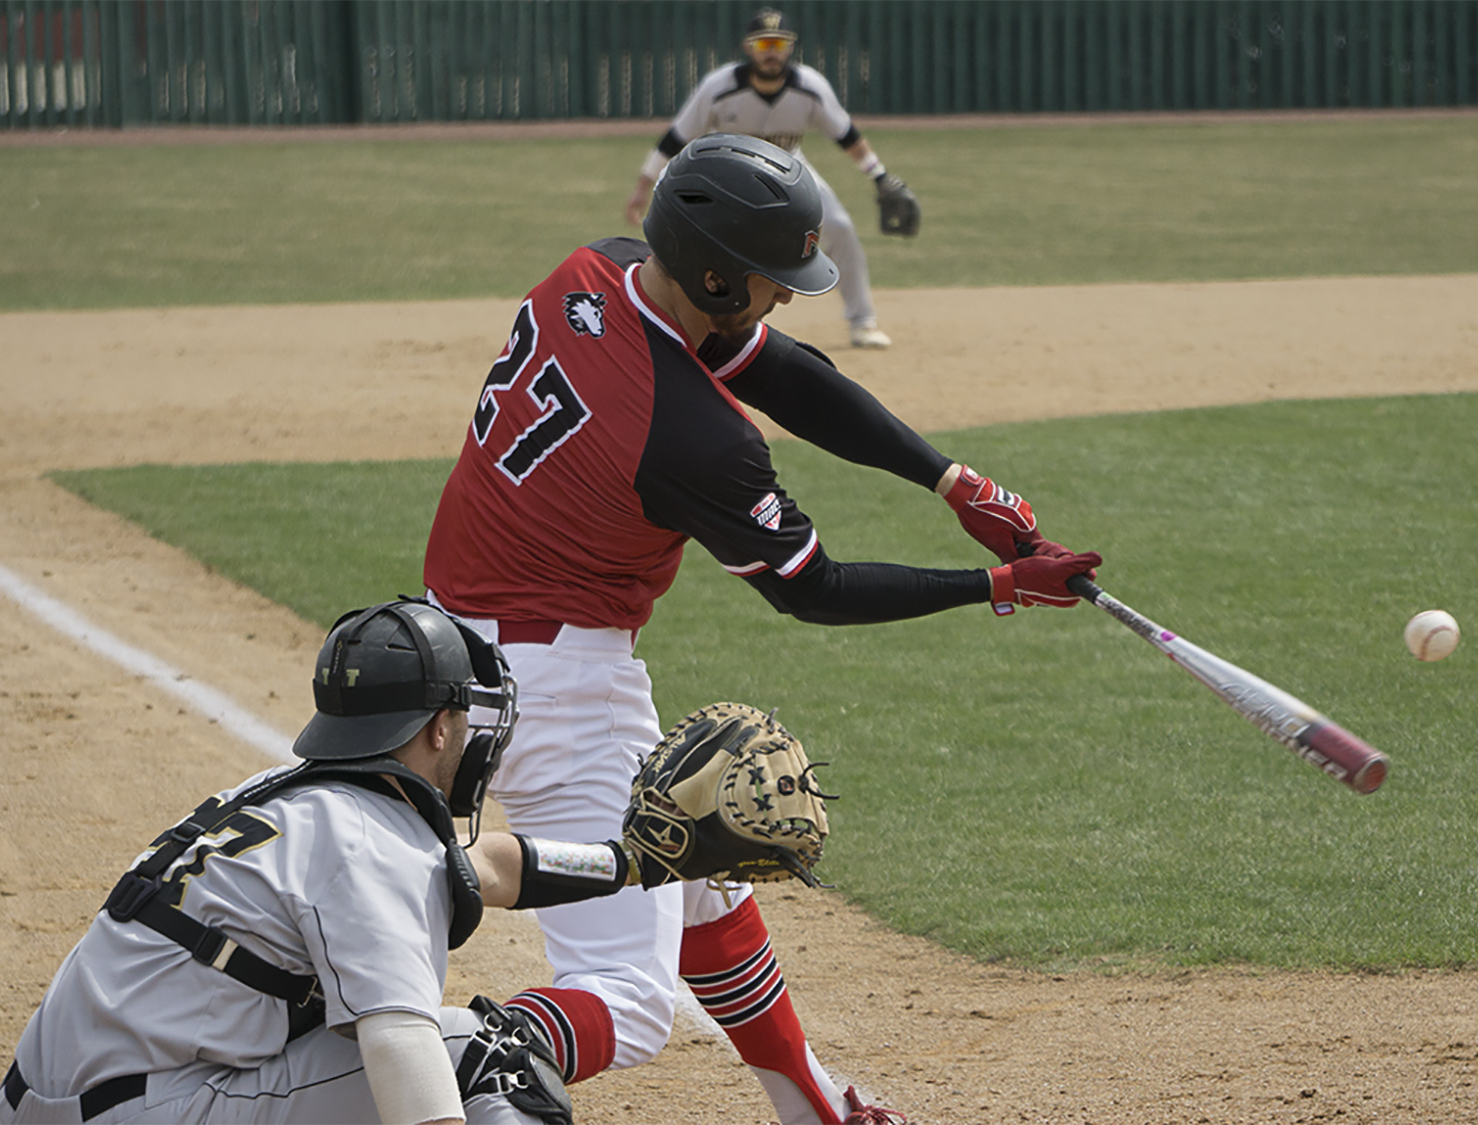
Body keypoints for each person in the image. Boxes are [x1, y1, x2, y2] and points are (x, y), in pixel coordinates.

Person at [425, 133, 1101, 1125]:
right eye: (773, 278)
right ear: (715, 273)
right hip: (559, 686)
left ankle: (813, 1108)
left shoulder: (597, 270)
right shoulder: (691, 437)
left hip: (456, 643)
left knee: (696, 868)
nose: (785, 294)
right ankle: (420, 1065)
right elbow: (811, 587)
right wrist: (993, 584)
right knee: (628, 1001)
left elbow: (785, 371)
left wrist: (949, 481)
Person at [0, 600, 722, 1125]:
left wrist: (637, 862)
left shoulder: (288, 797)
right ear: (438, 728)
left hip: (43, 1103)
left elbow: (486, 867)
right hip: (149, 1109)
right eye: (465, 718)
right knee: (486, 1053)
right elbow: (406, 1056)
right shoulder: (372, 845)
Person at [622, 6, 917, 351]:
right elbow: (675, 138)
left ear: (790, 47)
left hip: (791, 170)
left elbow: (847, 136)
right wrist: (643, 187)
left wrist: (879, 176)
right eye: (763, 44)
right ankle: (695, 322)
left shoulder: (810, 87)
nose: (772, 51)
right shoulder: (719, 87)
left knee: (840, 227)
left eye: (779, 43)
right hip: (729, 177)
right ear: (748, 48)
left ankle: (863, 322)